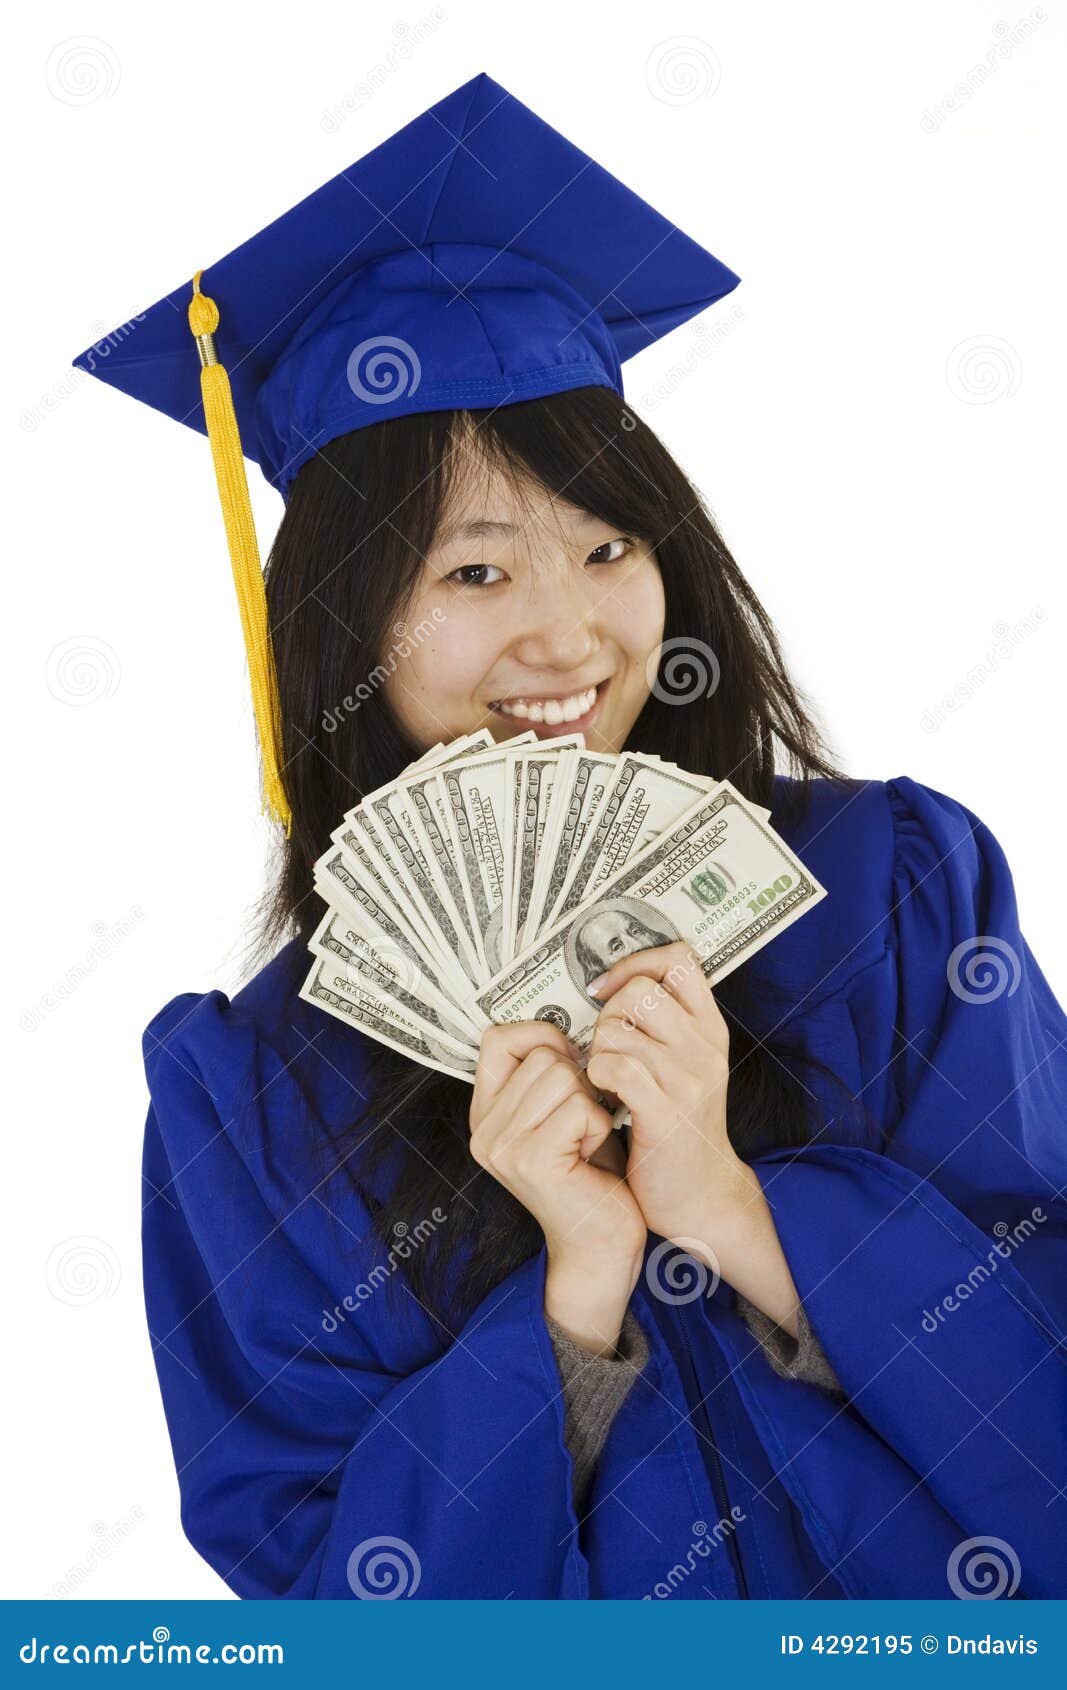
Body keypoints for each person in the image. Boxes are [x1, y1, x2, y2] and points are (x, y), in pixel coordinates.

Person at [77, 72, 1067, 1600]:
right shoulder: (250, 1094)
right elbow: (334, 1602)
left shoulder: (892, 894)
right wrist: (575, 1303)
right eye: (474, 573)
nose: (569, 634)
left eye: (608, 547)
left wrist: (737, 1209)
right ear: (345, 621)